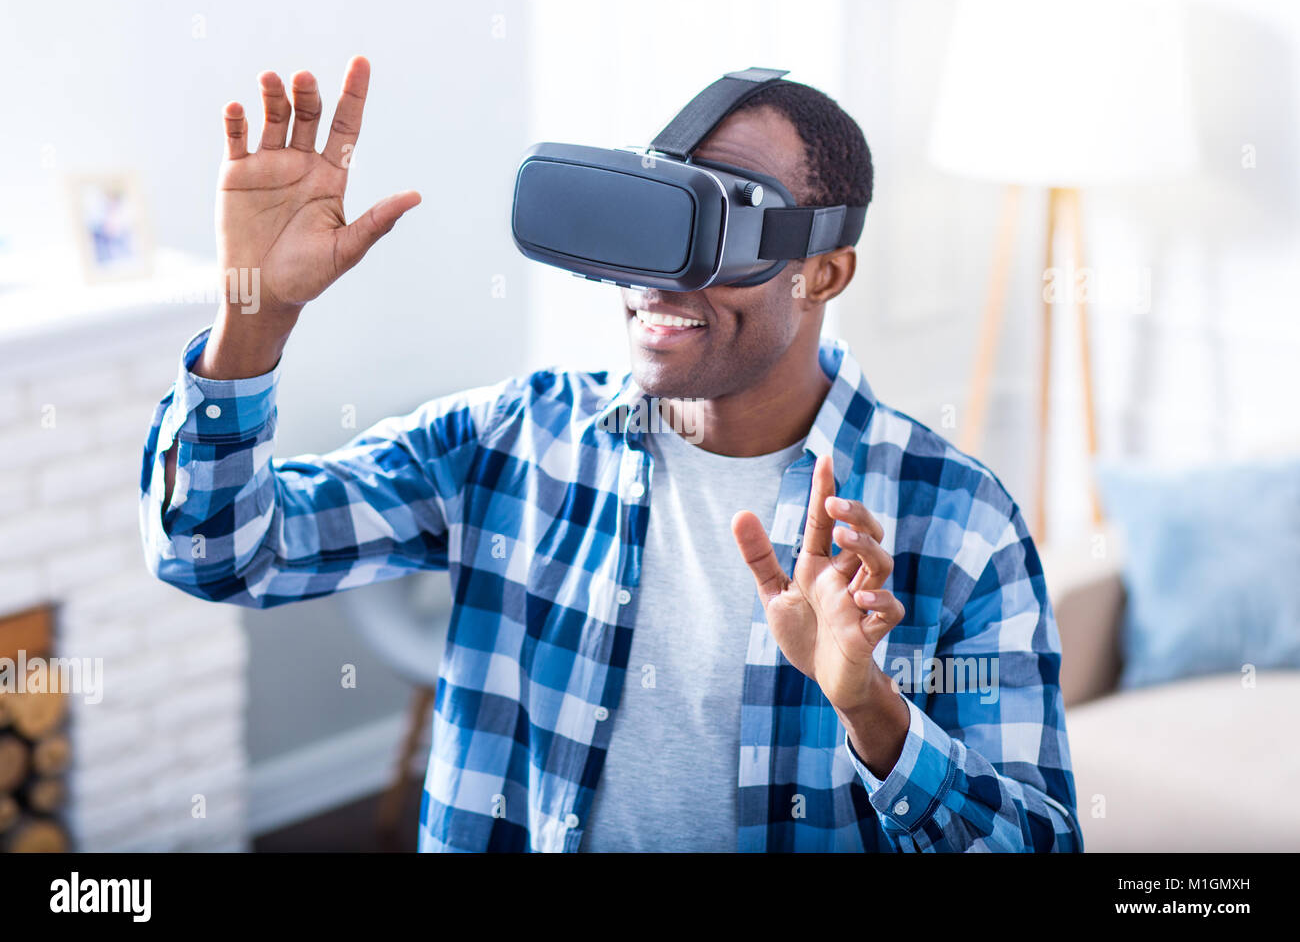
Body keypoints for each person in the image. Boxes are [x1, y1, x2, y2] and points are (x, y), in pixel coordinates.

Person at [140, 56, 1082, 852]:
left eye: (722, 228)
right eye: (656, 219)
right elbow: (216, 552)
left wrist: (873, 711)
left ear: (822, 270)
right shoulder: (511, 443)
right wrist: (251, 321)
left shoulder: (957, 524)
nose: (659, 279)